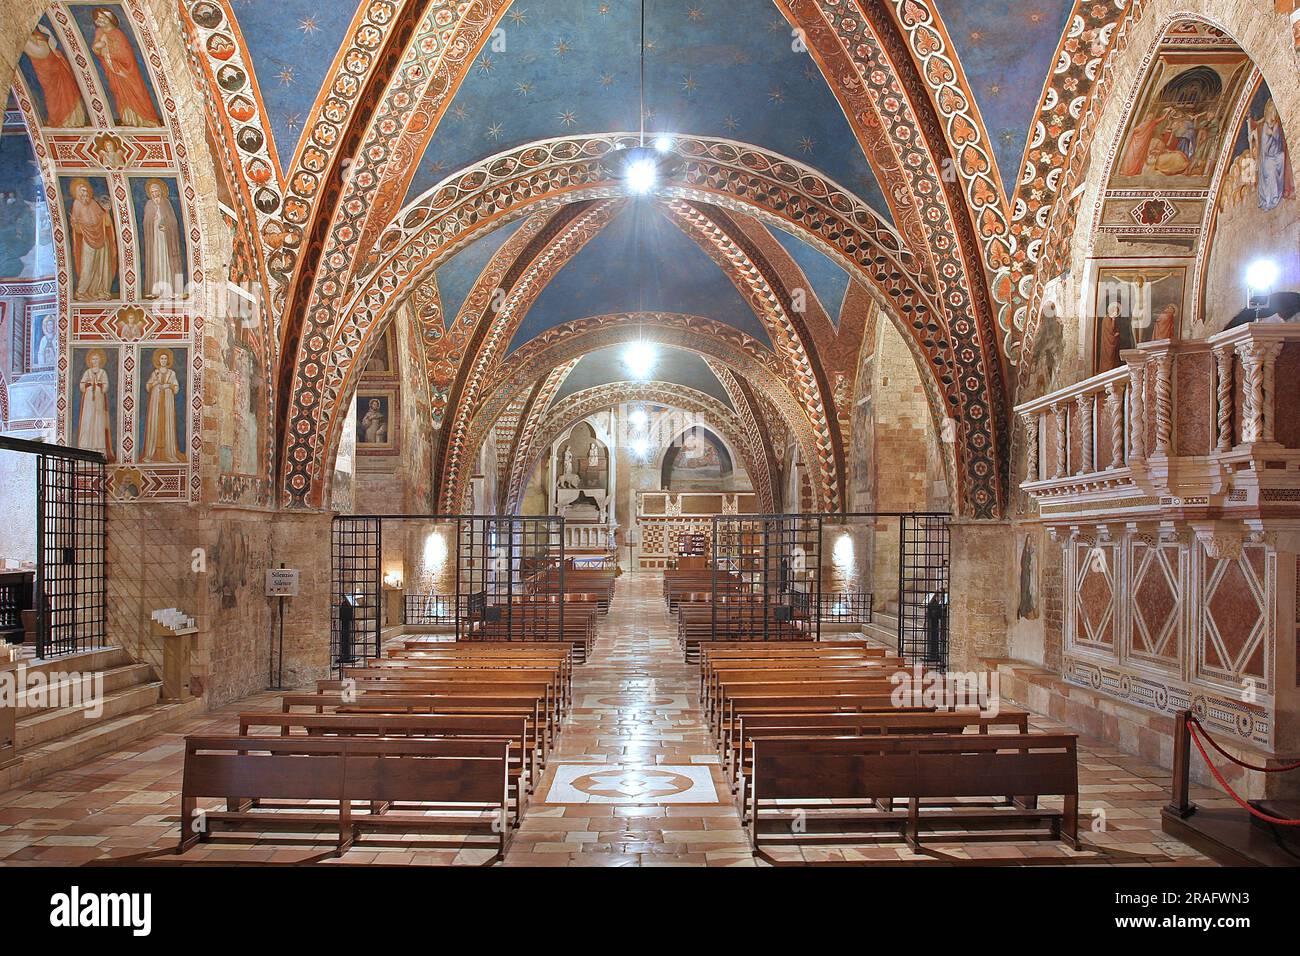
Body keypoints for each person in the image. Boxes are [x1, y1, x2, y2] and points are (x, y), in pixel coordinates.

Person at [90, 7, 162, 127]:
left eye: (103, 18)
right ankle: (129, 120)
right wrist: (98, 48)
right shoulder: (100, 33)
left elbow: (125, 55)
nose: (100, 21)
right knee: (120, 94)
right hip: (113, 72)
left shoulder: (118, 34)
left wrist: (107, 52)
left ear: (109, 19)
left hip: (126, 71)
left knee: (136, 91)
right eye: (98, 19)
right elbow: (95, 49)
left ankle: (147, 120)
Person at [24, 26, 86, 127]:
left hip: (55, 68)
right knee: (54, 95)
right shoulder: (27, 40)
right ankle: (64, 121)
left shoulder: (37, 34)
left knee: (67, 90)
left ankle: (72, 120)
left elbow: (47, 47)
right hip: (47, 71)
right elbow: (41, 53)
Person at [68, 179, 116, 300]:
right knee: (88, 266)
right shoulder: (77, 205)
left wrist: (106, 211)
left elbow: (106, 222)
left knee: (102, 265)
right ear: (78, 195)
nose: (85, 196)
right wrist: (78, 224)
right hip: (88, 240)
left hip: (102, 238)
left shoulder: (94, 203)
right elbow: (77, 227)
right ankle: (82, 291)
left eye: (86, 193)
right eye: (82, 194)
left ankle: (101, 290)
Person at [140, 179, 182, 298]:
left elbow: (173, 221)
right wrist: (152, 221)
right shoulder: (149, 204)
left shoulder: (166, 203)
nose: (155, 194)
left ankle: (169, 288)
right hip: (154, 239)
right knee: (156, 261)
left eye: (156, 191)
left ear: (160, 191)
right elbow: (145, 222)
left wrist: (167, 227)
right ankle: (156, 290)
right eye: (152, 192)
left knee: (166, 260)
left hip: (165, 238)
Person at [142, 349, 182, 461]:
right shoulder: (155, 373)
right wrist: (155, 383)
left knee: (167, 424)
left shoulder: (171, 373)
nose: (163, 360)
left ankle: (169, 454)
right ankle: (151, 454)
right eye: (161, 358)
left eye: (165, 358)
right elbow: (148, 386)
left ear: (168, 360)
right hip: (156, 403)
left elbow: (176, 388)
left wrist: (168, 386)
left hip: (167, 403)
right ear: (158, 360)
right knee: (155, 424)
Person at [76, 349, 112, 459]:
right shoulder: (87, 372)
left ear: (100, 360)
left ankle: (99, 449)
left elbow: (106, 387)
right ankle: (86, 448)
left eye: (96, 359)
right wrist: (89, 385)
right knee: (88, 420)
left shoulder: (102, 372)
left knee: (99, 421)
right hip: (88, 401)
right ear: (90, 361)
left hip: (99, 399)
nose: (95, 361)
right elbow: (82, 385)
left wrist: (100, 385)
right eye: (93, 359)